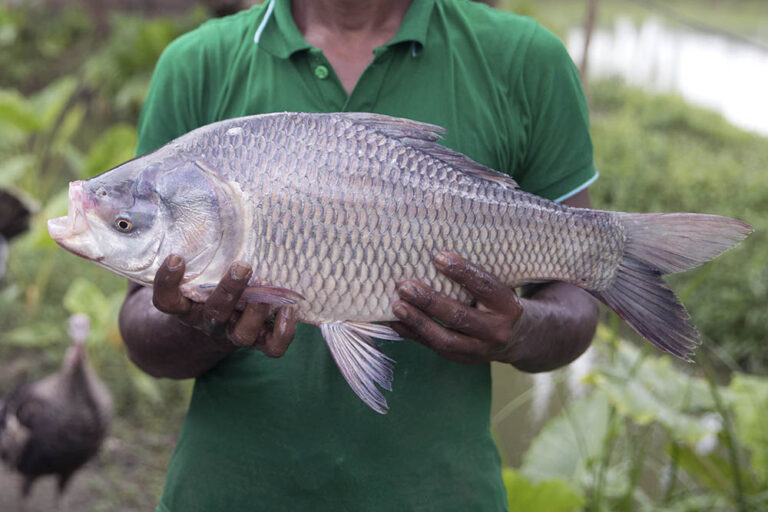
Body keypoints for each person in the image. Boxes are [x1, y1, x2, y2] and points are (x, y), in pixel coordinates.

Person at [119, 0, 600, 510]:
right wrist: (200, 324)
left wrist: (518, 330)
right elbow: (140, 330)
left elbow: (576, 300)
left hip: (440, 495)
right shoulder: (197, 63)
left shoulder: (527, 59)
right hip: (231, 492)